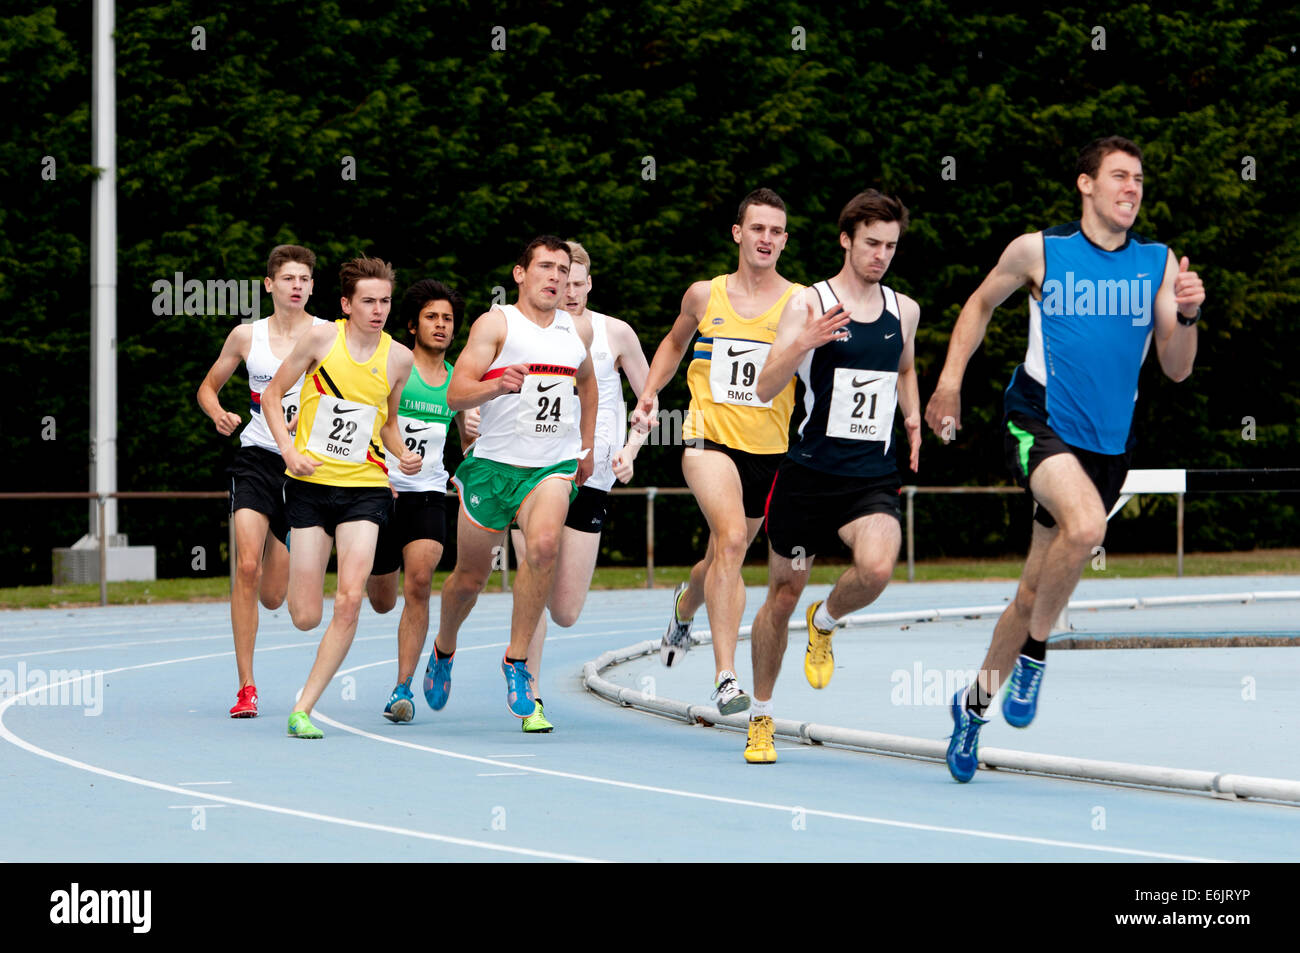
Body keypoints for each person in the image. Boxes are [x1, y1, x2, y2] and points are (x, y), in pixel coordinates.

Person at [923, 136, 1203, 782]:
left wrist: (1187, 316)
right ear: (1086, 184)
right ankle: (1037, 657)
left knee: (1029, 591)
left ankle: (972, 705)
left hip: (1108, 445)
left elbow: (1176, 369)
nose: (1132, 188)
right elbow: (979, 304)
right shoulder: (1040, 252)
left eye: (1139, 179)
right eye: (1119, 177)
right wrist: (949, 381)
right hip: (1037, 420)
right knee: (1084, 526)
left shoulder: (1158, 265)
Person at [745, 190, 922, 764]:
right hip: (807, 477)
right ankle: (761, 716)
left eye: (891, 245)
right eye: (871, 243)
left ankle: (826, 620)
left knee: (875, 568)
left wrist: (915, 414)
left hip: (870, 477)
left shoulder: (905, 310)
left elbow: (905, 365)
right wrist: (803, 341)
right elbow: (765, 386)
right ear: (846, 239)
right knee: (783, 593)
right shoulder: (808, 304)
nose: (881, 255)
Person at [631, 189, 802, 715]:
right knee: (729, 541)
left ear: (785, 240)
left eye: (776, 231)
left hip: (768, 449)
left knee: (722, 556)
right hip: (707, 437)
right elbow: (675, 342)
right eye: (758, 229)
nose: (766, 239)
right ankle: (726, 677)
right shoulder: (705, 295)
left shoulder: (800, 302)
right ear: (738, 233)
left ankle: (684, 607)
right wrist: (650, 391)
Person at [427, 236, 598, 723]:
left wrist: (583, 448)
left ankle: (517, 660)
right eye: (545, 267)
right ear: (520, 274)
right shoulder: (496, 324)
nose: (555, 277)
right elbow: (455, 394)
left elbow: (588, 386)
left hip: (552, 466)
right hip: (494, 467)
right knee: (469, 580)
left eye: (562, 270)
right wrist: (495, 385)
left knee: (543, 547)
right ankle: (444, 647)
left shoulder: (572, 333)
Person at [261, 256, 422, 739]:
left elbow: (387, 424)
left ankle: (303, 708)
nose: (378, 310)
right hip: (309, 485)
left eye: (385, 301)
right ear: (347, 305)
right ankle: (277, 542)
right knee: (306, 616)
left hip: (366, 489)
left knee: (349, 600)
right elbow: (272, 396)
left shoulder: (399, 358)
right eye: (368, 301)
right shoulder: (320, 339)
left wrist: (403, 454)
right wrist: (289, 450)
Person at [506, 241, 650, 732]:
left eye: (577, 282)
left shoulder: (616, 333)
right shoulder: (524, 330)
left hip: (593, 478)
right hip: (535, 470)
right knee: (533, 574)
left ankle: (527, 646)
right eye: (561, 280)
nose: (568, 290)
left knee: (565, 609)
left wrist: (630, 450)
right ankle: (531, 692)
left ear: (589, 284)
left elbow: (647, 400)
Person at [196, 244, 328, 718]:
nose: (297, 286)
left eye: (304, 279)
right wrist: (219, 414)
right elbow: (207, 388)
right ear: (269, 285)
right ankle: (246, 687)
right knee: (246, 569)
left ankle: (282, 539)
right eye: (288, 278)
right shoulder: (246, 336)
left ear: (313, 286)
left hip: (306, 467)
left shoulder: (328, 335)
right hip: (256, 458)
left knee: (274, 595)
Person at [364, 279, 479, 723]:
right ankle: (377, 571)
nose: (441, 325)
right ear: (412, 325)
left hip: (429, 492)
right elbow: (369, 422)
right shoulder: (394, 366)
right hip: (377, 490)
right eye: (432, 317)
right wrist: (381, 466)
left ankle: (401, 689)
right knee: (381, 599)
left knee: (420, 583)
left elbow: (468, 442)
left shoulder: (456, 382)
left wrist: (468, 456)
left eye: (448, 319)